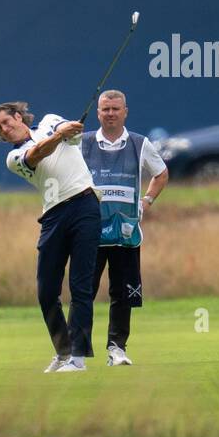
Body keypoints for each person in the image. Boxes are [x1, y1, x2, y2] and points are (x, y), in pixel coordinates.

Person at [0, 101, 98, 373]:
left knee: (80, 286)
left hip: (85, 205)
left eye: (6, 121)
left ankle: (78, 358)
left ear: (17, 116)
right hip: (53, 216)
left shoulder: (49, 120)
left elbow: (65, 129)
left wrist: (68, 129)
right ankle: (63, 351)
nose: (4, 129)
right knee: (47, 291)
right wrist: (60, 135)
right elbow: (37, 153)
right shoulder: (14, 158)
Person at [80, 90, 169, 366]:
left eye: (115, 109)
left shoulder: (139, 144)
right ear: (98, 113)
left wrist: (147, 201)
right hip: (90, 233)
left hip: (126, 233)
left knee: (122, 293)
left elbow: (161, 173)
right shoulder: (82, 144)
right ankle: (76, 349)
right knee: (84, 293)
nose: (110, 114)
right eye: (105, 109)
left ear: (125, 112)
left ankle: (116, 348)